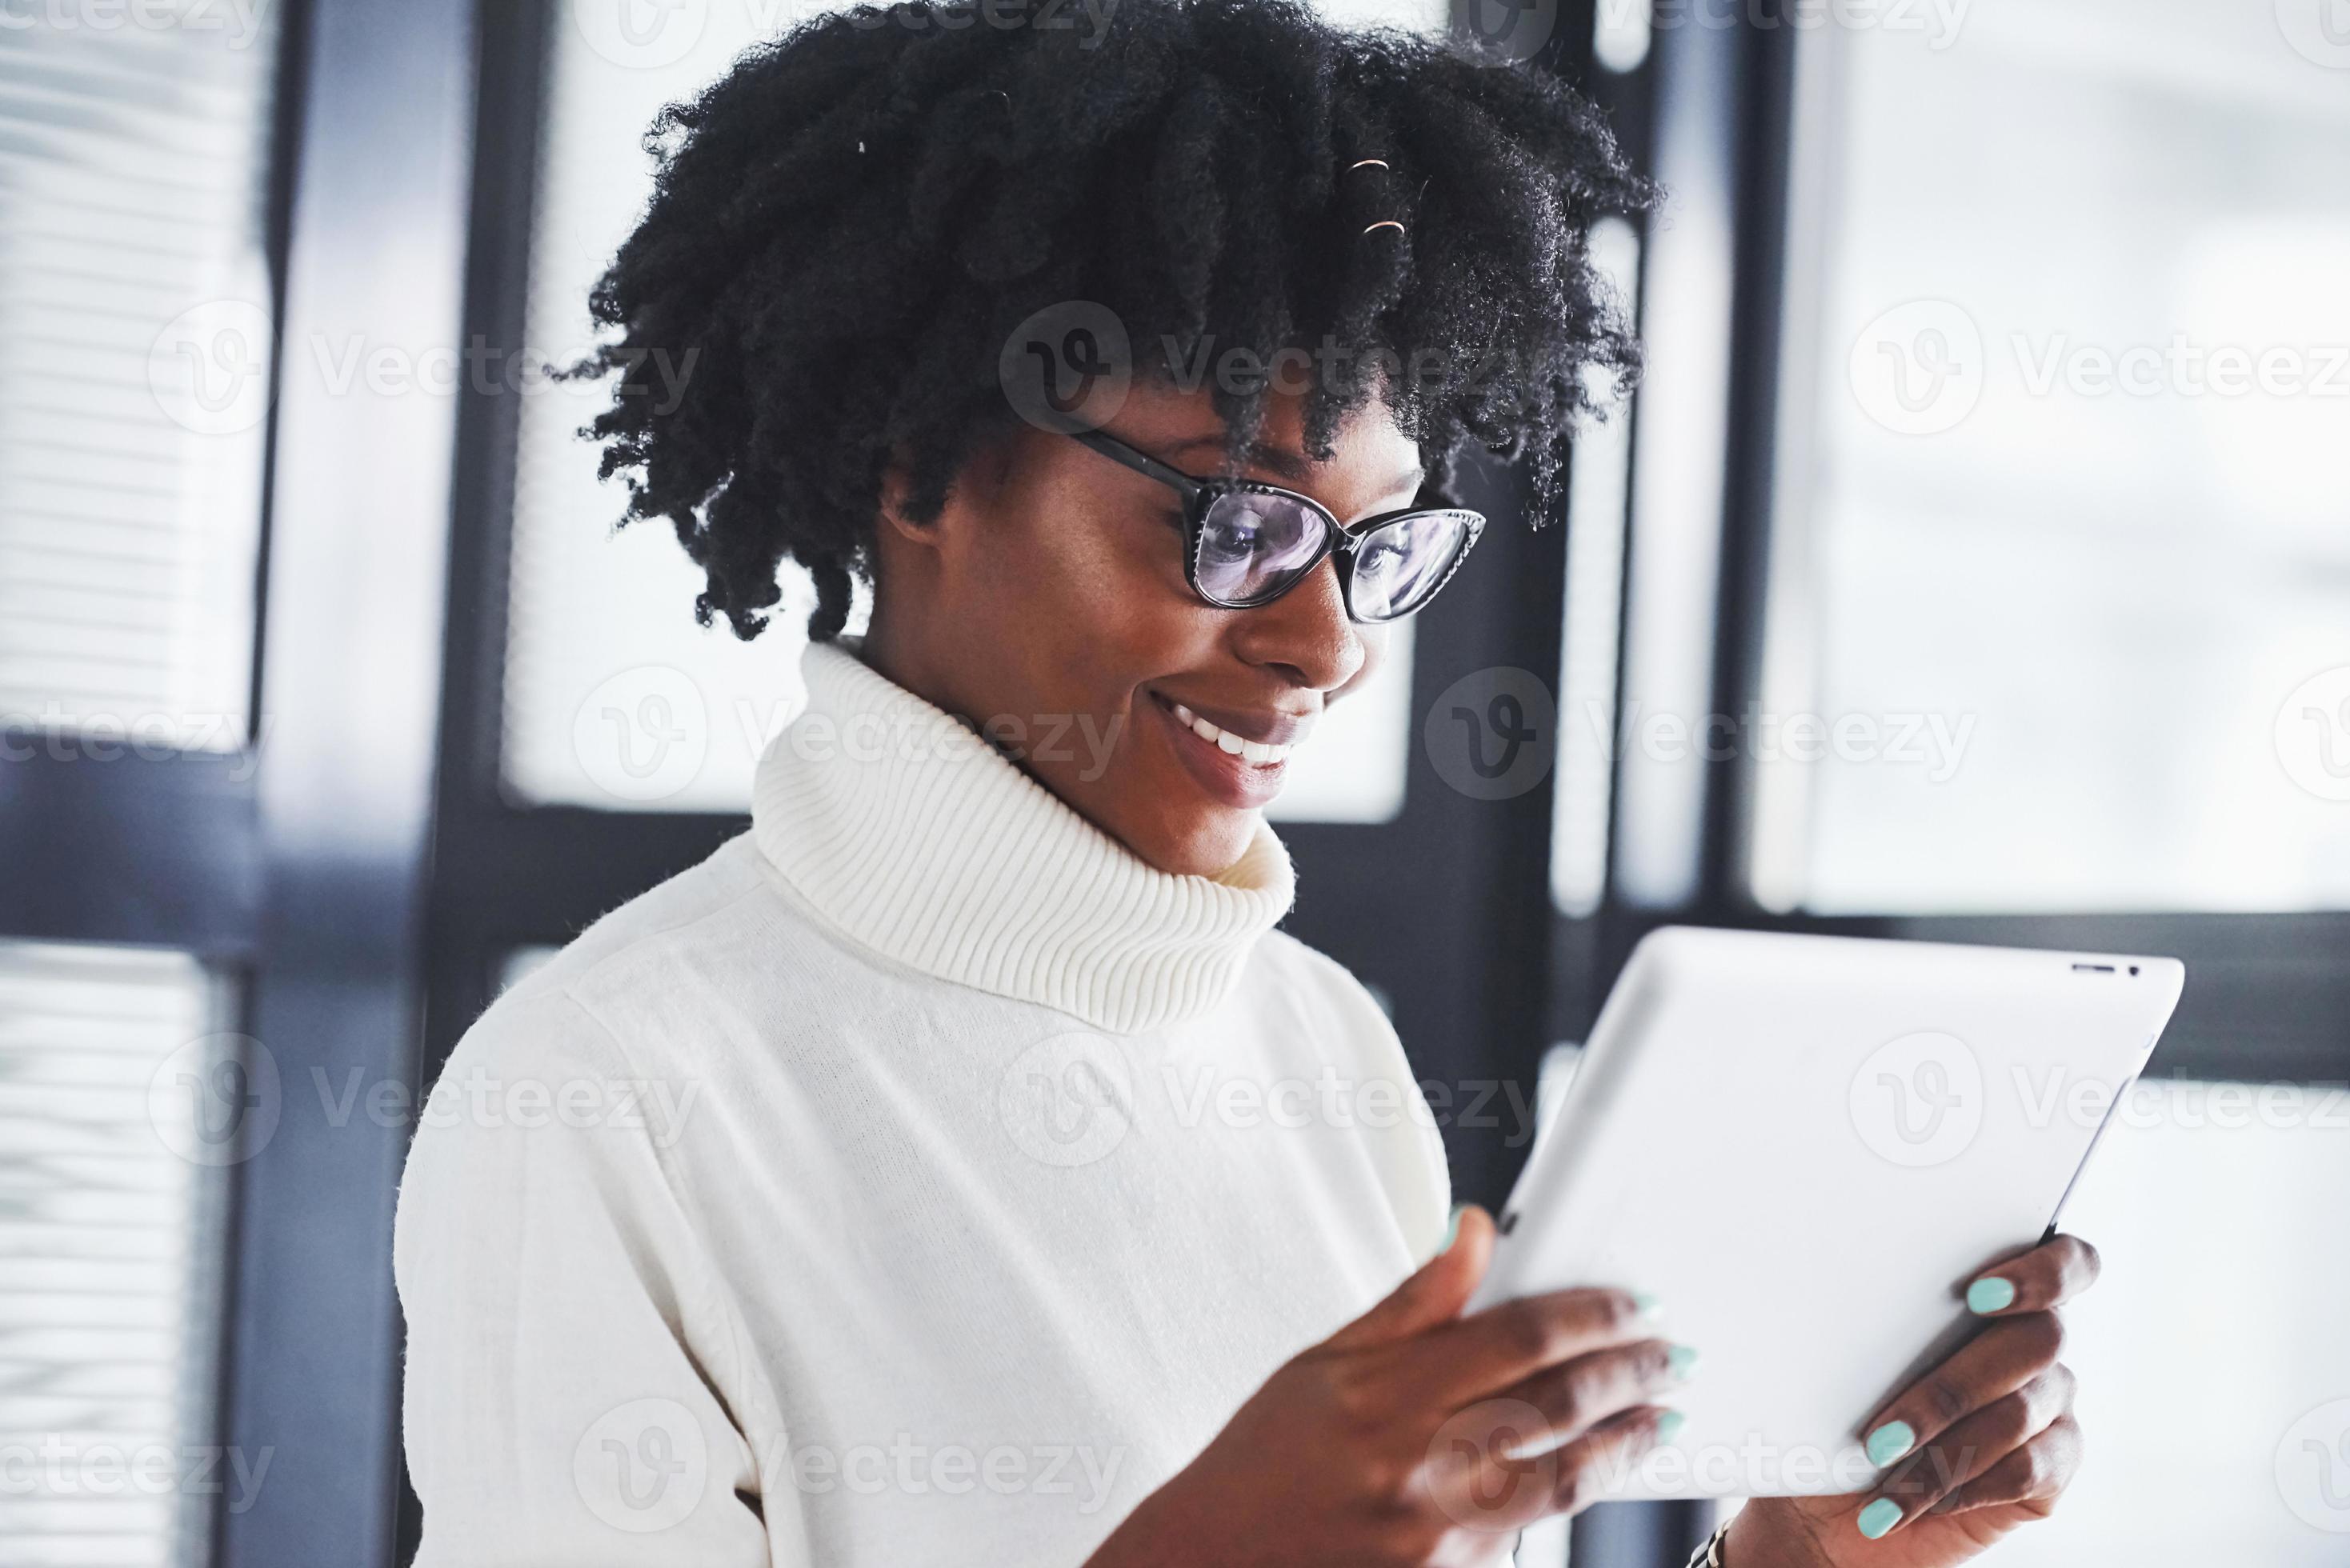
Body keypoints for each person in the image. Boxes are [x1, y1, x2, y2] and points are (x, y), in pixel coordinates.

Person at [394, 3, 2091, 1563]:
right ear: (920, 468)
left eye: (1370, 546)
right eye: (1236, 519)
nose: (1326, 644)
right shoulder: (604, 1092)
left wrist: (1786, 1554)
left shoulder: (1321, 1048)